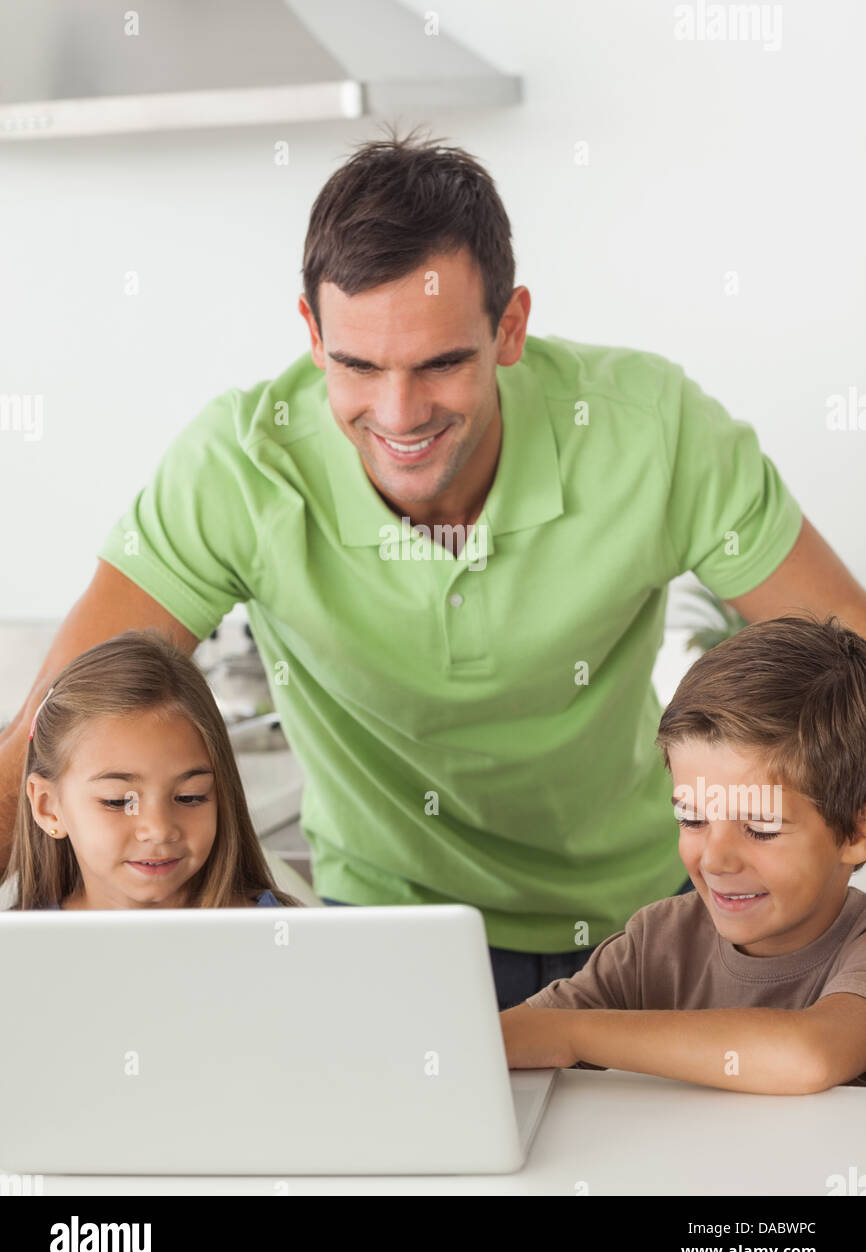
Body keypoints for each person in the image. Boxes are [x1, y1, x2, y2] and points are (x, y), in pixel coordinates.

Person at [2, 126, 865, 1004]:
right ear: (311, 333)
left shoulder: (654, 430)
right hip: (392, 926)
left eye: (442, 363)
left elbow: (852, 656)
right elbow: (48, 731)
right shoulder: (239, 467)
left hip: (648, 916)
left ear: (510, 327)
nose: (399, 413)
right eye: (358, 365)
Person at [500, 614, 866, 1093]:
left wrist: (570, 1033)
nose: (715, 860)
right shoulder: (654, 942)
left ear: (855, 832)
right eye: (692, 819)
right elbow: (504, 1041)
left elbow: (809, 1056)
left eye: (759, 827)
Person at [8, 629, 301, 911]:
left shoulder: (279, 938)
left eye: (190, 797)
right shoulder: (16, 951)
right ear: (48, 807)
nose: (159, 830)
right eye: (118, 801)